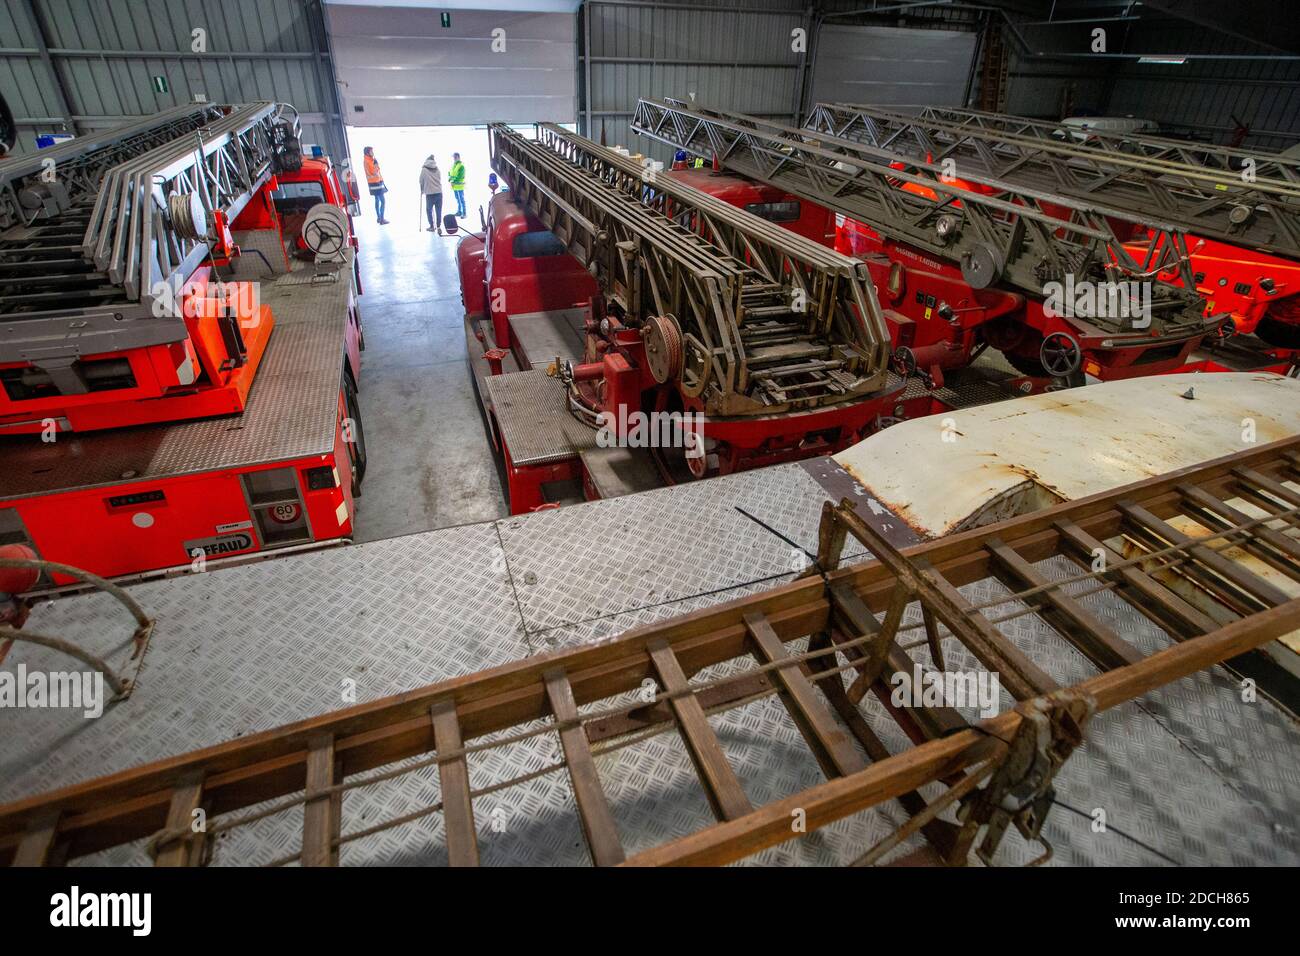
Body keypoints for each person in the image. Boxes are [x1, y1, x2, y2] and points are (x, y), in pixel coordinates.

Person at [363, 146, 389, 224]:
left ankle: (379, 217)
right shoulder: (369, 161)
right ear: (368, 152)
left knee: (377, 200)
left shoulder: (368, 160)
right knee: (383, 201)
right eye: (371, 151)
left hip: (373, 183)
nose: (373, 153)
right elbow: (374, 171)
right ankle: (382, 219)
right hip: (376, 183)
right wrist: (376, 164)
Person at [420, 153, 444, 234]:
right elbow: (439, 179)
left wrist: (422, 190)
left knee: (429, 210)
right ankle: (438, 226)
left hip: (430, 194)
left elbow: (421, 181)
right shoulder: (437, 169)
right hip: (439, 193)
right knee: (438, 210)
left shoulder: (424, 170)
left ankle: (431, 226)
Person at [449, 152, 466, 218]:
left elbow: (460, 176)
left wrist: (453, 180)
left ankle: (464, 213)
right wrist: (450, 178)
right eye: (453, 157)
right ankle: (459, 211)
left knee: (461, 199)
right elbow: (450, 173)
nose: (454, 159)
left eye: (455, 157)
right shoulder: (454, 166)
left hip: (459, 185)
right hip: (454, 186)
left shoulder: (461, 166)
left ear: (458, 157)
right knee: (458, 199)